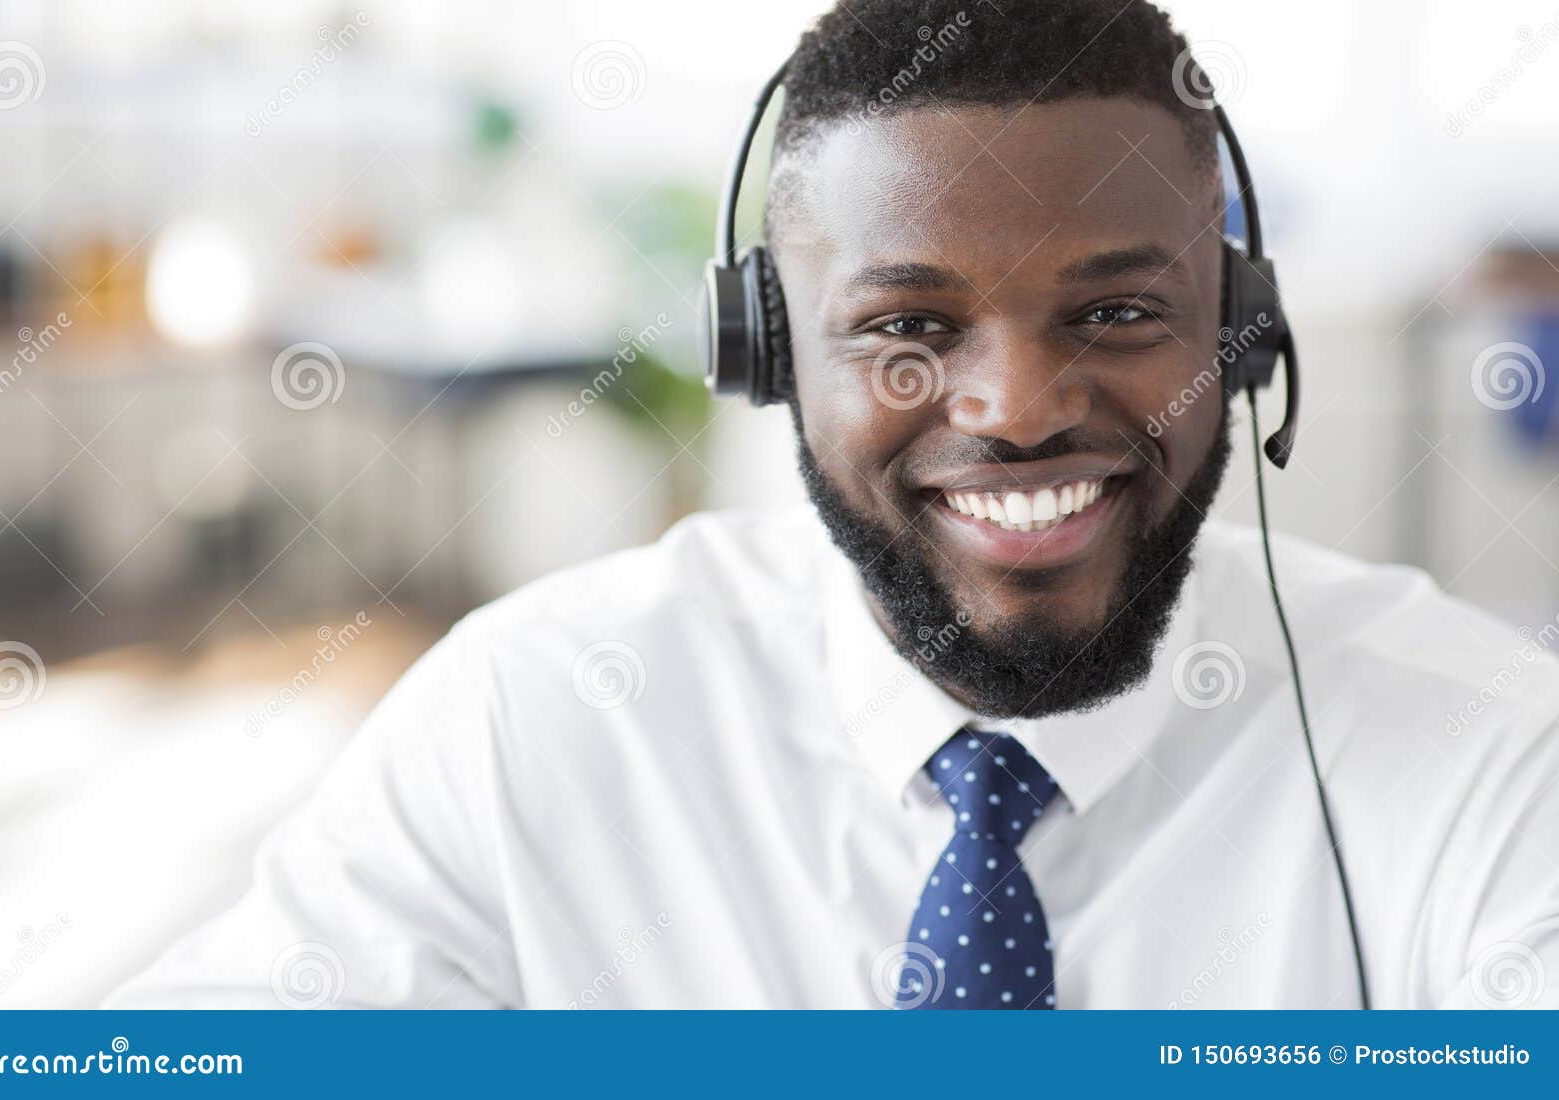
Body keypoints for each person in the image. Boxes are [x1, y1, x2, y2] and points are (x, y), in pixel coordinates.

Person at [108, 0, 1559, 1009]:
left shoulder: (1485, 753)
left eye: (1117, 312)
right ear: (770, 350)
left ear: (1239, 339)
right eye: (907, 329)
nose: (1018, 405)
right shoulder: (529, 718)